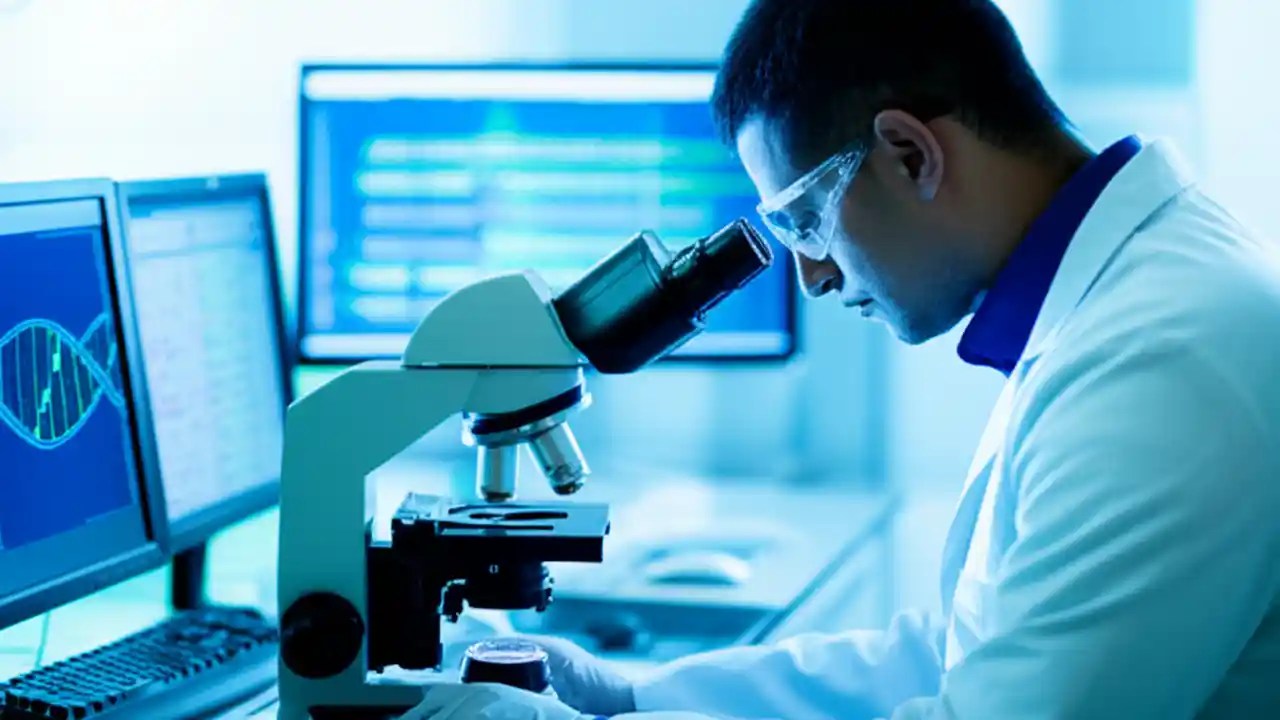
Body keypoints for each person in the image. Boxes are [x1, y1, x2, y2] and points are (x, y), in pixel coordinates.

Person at [409, 0, 1280, 717]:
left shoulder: (1164, 360)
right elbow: (959, 650)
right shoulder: (1112, 305)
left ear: (910, 154)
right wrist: (635, 695)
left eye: (801, 223)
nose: (814, 277)